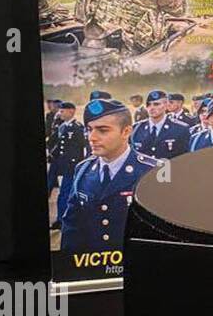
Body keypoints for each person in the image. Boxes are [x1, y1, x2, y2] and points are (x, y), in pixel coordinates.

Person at [59, 98, 156, 253]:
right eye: (89, 129)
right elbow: (72, 227)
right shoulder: (83, 170)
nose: (92, 137)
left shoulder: (152, 173)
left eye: (102, 130)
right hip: (92, 268)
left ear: (126, 132)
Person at [46, 101, 86, 228]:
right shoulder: (62, 126)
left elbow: (83, 148)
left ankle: (62, 220)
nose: (60, 113)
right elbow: (58, 144)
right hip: (60, 164)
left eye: (62, 111)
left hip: (72, 166)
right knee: (62, 193)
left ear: (71, 111)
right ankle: (61, 219)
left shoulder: (78, 127)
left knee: (65, 193)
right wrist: (52, 155)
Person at [131, 89, 191, 159]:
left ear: (166, 106)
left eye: (156, 104)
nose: (151, 108)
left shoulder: (180, 129)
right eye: (148, 104)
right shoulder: (136, 129)